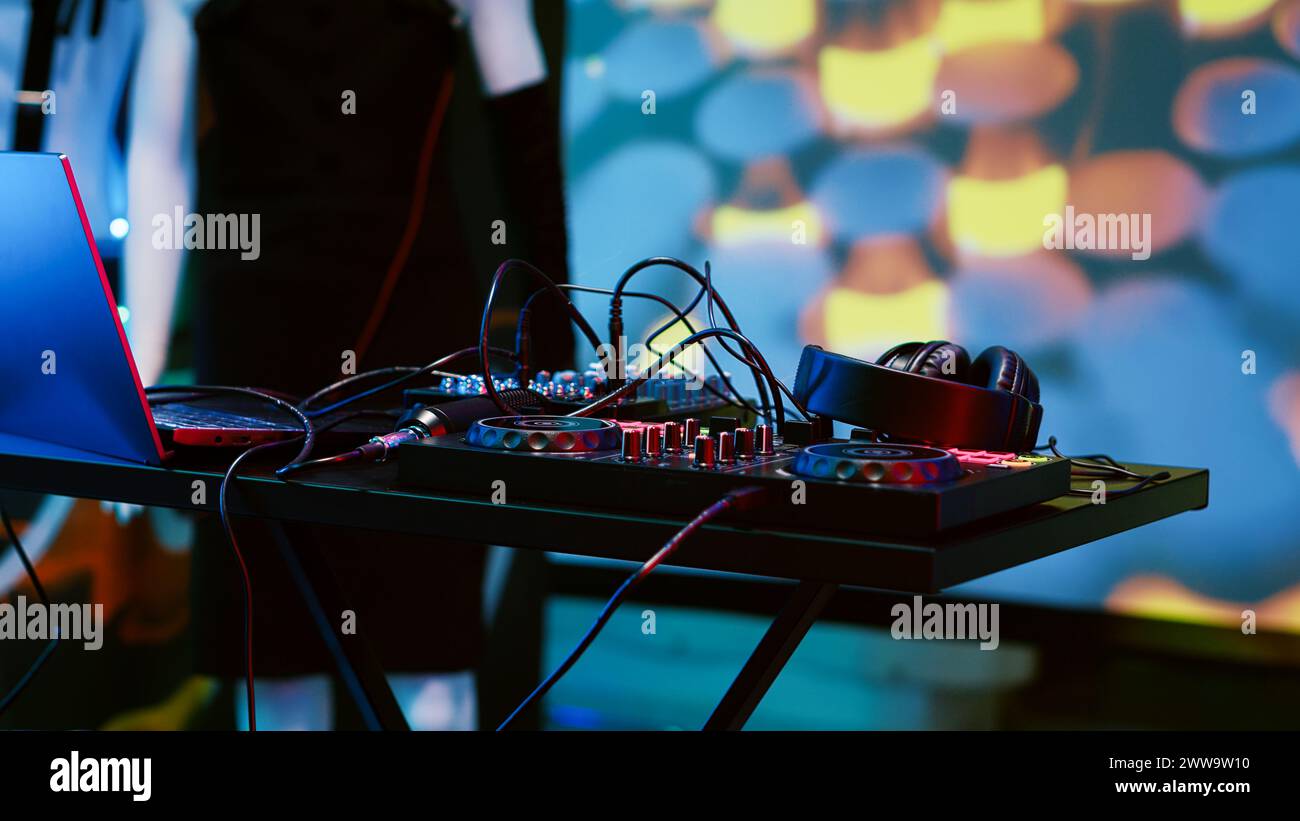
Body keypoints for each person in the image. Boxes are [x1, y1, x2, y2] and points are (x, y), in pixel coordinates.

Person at [123, 0, 571, 729]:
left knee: (428, 654)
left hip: (415, 330)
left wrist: (555, 361)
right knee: (272, 657)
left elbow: (525, 131)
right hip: (252, 338)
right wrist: (136, 375)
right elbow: (155, 154)